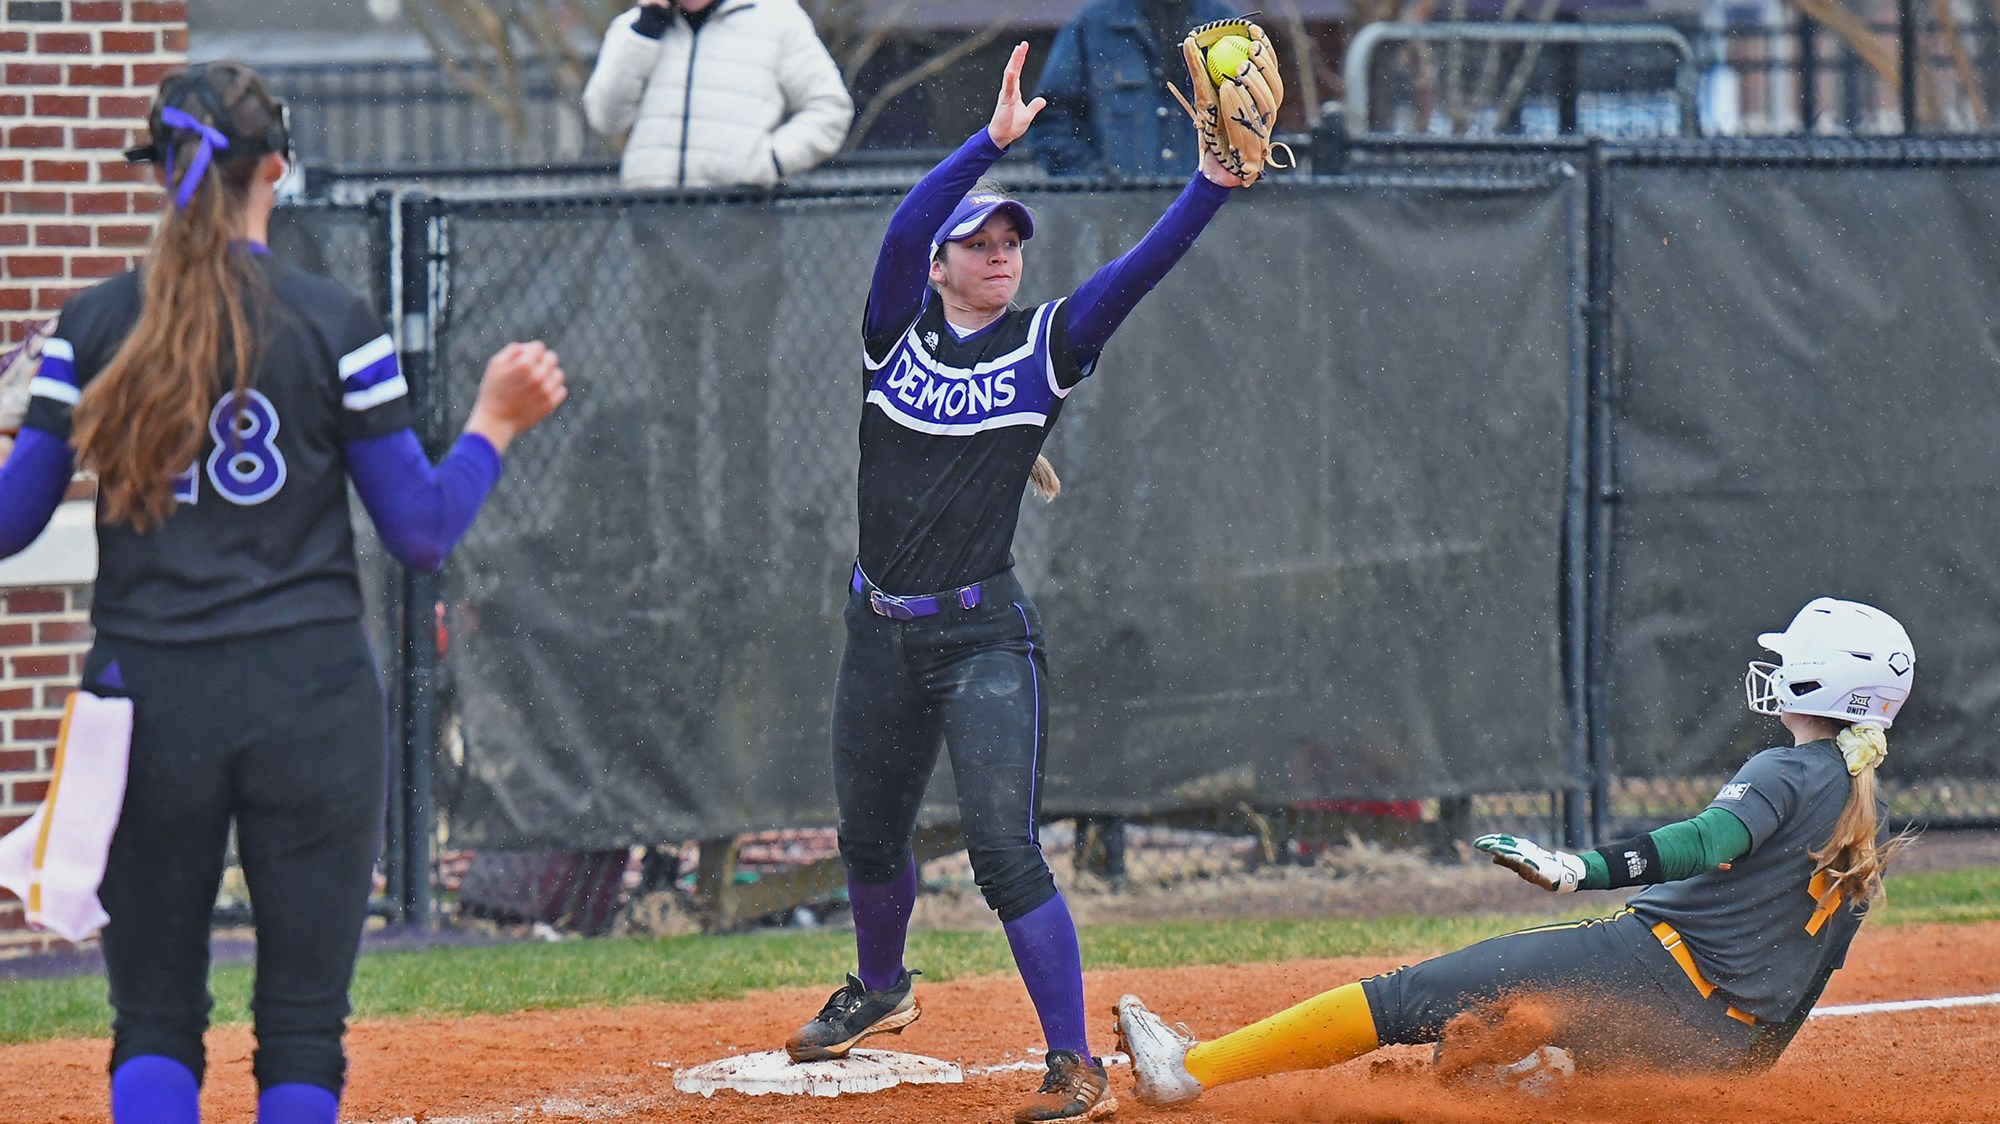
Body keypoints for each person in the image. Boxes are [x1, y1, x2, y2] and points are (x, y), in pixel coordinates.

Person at [0, 63, 566, 1123]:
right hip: (309, 697)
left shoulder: (95, 320)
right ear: (277, 170)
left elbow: (8, 524)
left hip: (144, 700)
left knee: (156, 1017)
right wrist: (493, 422)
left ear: (158, 174)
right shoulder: (331, 318)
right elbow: (420, 529)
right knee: (302, 1020)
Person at [779, 41, 1245, 1123]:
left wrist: (1208, 186)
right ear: (940, 268)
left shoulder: (1043, 347)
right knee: (867, 837)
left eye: (1008, 242)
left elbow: (1137, 273)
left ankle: (1072, 1062)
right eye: (975, 244)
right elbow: (901, 226)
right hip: (877, 628)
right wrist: (985, 146)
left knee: (1000, 850)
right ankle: (882, 986)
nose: (997, 255)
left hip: (980, 640)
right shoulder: (892, 338)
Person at [1115, 597, 1916, 1104]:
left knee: (1404, 997)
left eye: (1788, 661)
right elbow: (1810, 977)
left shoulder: (1784, 767)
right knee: (1513, 1057)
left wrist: (1584, 869)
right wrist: (1737, 1073)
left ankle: (1189, 1072)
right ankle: (1541, 1076)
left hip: (1652, 970)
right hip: (1722, 1042)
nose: (1773, 670)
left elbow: (1704, 841)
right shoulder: (1861, 807)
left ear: (1820, 683)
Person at [581, 0, 854, 190]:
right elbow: (606, 118)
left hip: (740, 214)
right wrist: (643, 36)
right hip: (652, 214)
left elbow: (830, 108)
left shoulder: (776, 18)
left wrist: (768, 162)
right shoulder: (632, 27)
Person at [1033, 0, 1242, 178]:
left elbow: (1258, 121)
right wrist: (1093, 183)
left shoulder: (1230, 30)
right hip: (1112, 219)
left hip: (1214, 217)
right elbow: (1050, 121)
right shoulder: (1091, 26)